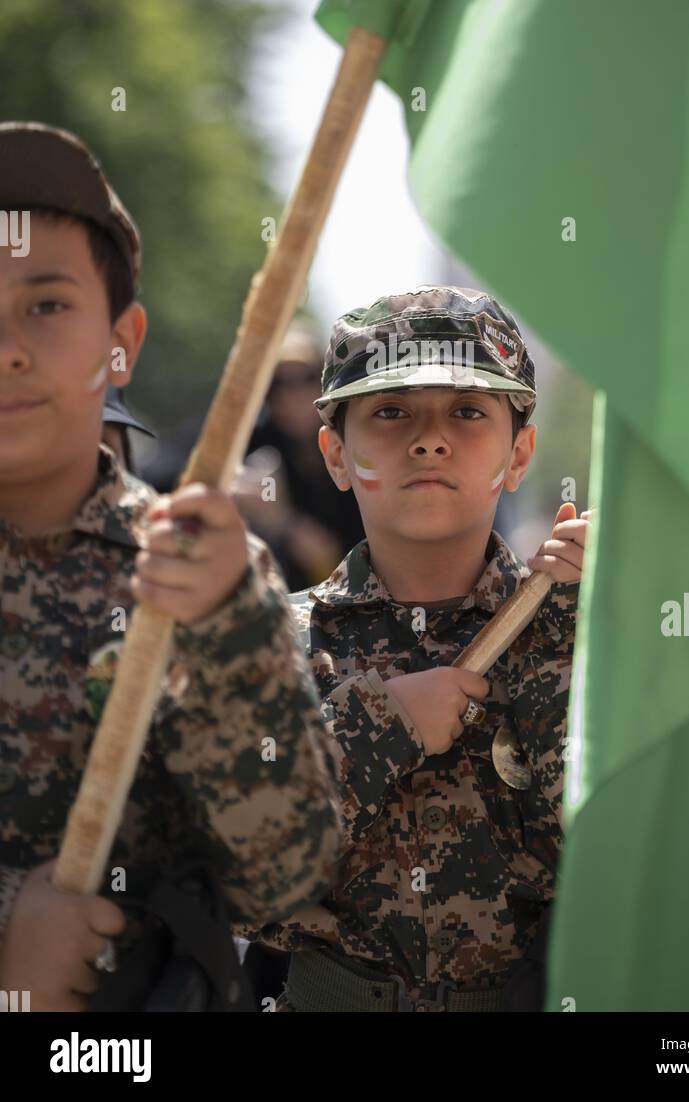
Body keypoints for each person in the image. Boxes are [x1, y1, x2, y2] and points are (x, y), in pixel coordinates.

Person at [0, 122, 340, 1012]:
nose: (8, 347)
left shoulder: (205, 574)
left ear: (122, 343)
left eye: (45, 304)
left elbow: (284, 883)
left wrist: (232, 626)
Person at [256, 285, 591, 1012]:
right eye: (390, 412)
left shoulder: (583, 630)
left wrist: (589, 628)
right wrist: (376, 726)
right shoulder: (269, 646)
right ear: (336, 455)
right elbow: (230, 880)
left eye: (468, 412)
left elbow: (625, 859)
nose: (429, 439)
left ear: (519, 451)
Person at [238, 327, 364, 592]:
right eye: (278, 383)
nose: (290, 395)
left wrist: (284, 520)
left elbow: (334, 553)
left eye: (305, 378)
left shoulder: (353, 444)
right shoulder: (252, 441)